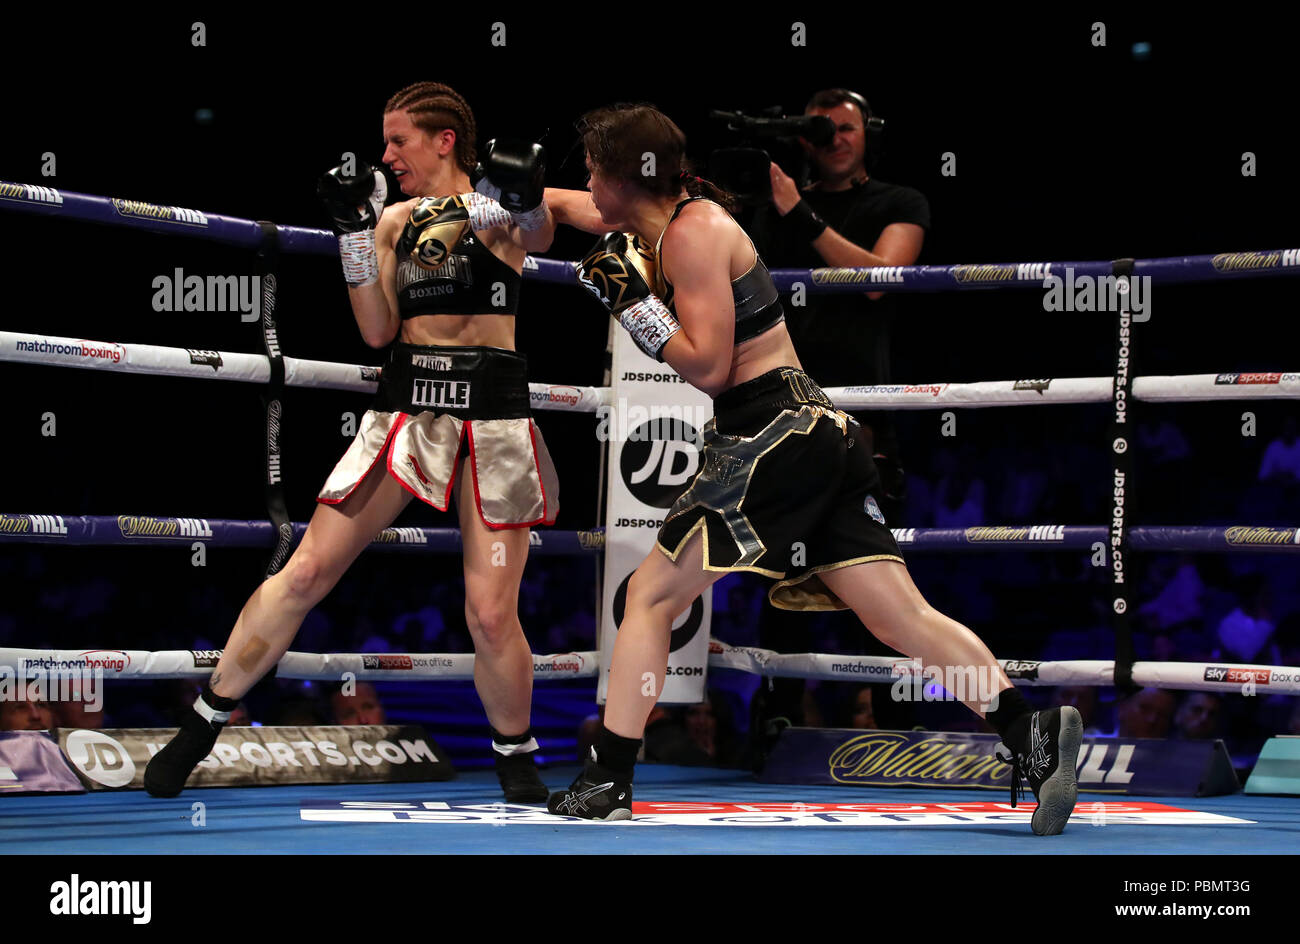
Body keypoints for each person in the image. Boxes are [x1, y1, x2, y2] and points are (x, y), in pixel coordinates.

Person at [544, 103, 1081, 835]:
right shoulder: (657, 218)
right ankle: (1031, 734)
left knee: (649, 595)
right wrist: (483, 202)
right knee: (900, 617)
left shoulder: (695, 234)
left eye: (591, 169)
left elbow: (706, 365)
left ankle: (606, 778)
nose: (583, 183)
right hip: (814, 431)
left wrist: (634, 305)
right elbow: (562, 206)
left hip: (769, 433)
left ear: (621, 176)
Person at [145, 82, 559, 803]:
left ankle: (515, 760)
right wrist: (349, 231)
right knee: (306, 571)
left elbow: (547, 231)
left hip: (493, 418)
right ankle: (203, 724)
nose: (385, 155)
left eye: (398, 140)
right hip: (407, 410)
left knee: (491, 612)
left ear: (444, 140)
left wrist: (527, 192)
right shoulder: (392, 221)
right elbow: (374, 328)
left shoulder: (497, 206)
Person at [744, 89, 929, 749]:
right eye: (823, 128)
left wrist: (805, 215)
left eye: (847, 127)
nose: (836, 138)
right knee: (778, 574)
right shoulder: (766, 215)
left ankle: (901, 731)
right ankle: (775, 731)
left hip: (864, 417)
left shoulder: (897, 203)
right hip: (783, 411)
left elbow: (882, 278)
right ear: (804, 136)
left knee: (873, 574)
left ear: (867, 133)